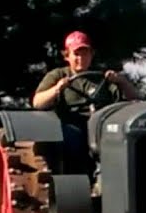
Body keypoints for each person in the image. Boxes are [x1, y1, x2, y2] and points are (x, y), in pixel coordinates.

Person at [31, 30, 139, 174]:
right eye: (76, 54)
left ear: (91, 55)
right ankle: (76, 175)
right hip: (72, 125)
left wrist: (122, 82)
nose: (80, 58)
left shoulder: (103, 78)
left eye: (85, 53)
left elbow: (135, 100)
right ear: (67, 56)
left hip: (101, 124)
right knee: (72, 138)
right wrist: (57, 89)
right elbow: (37, 102)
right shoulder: (58, 75)